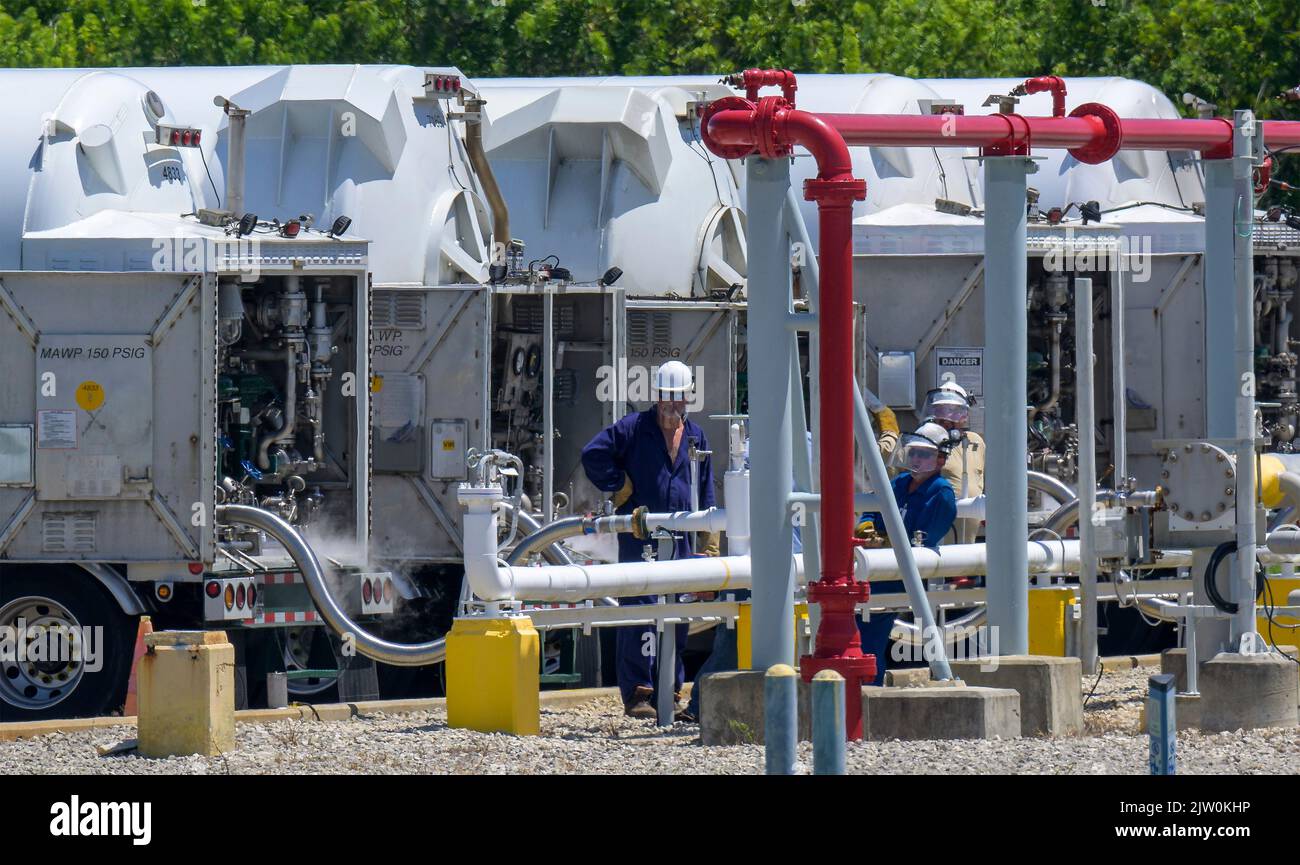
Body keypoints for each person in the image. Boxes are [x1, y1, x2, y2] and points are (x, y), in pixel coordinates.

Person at [580, 360, 717, 719]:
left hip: (682, 540)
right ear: (656, 397)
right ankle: (639, 693)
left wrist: (709, 547)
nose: (673, 406)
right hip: (641, 537)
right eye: (667, 399)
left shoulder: (695, 437)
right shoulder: (633, 429)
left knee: (678, 617)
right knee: (640, 612)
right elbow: (592, 454)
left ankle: (670, 693)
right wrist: (619, 485)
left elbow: (705, 489)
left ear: (688, 398)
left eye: (679, 399)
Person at [853, 422, 958, 685]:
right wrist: (866, 526)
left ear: (941, 459)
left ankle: (869, 689)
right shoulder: (900, 482)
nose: (917, 459)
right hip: (877, 568)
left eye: (924, 454)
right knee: (862, 630)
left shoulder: (941, 493)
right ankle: (863, 687)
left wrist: (887, 541)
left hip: (899, 575)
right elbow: (873, 507)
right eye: (913, 453)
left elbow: (925, 537)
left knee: (871, 634)